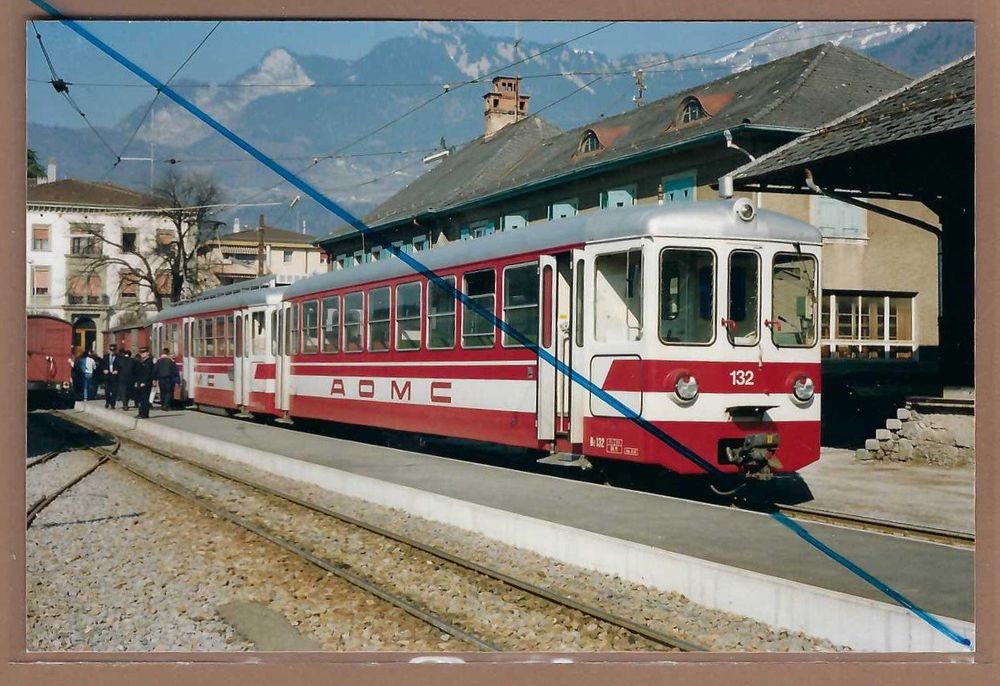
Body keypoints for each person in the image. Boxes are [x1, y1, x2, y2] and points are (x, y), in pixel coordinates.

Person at [134, 347, 155, 419]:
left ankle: (144, 414)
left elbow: (148, 374)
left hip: (146, 383)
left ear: (147, 353)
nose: (142, 354)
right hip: (140, 382)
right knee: (141, 399)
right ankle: (141, 413)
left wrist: (144, 382)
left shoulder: (149, 362)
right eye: (141, 353)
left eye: (144, 353)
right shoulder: (142, 361)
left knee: (145, 399)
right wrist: (137, 382)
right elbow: (139, 373)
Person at [102, 344, 118, 408]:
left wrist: (117, 370)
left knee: (114, 391)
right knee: (107, 390)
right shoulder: (105, 357)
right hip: (107, 376)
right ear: (108, 350)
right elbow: (102, 365)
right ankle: (107, 401)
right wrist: (104, 370)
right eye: (111, 350)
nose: (112, 351)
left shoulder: (118, 357)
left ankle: (113, 403)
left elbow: (120, 366)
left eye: (113, 350)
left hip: (114, 376)